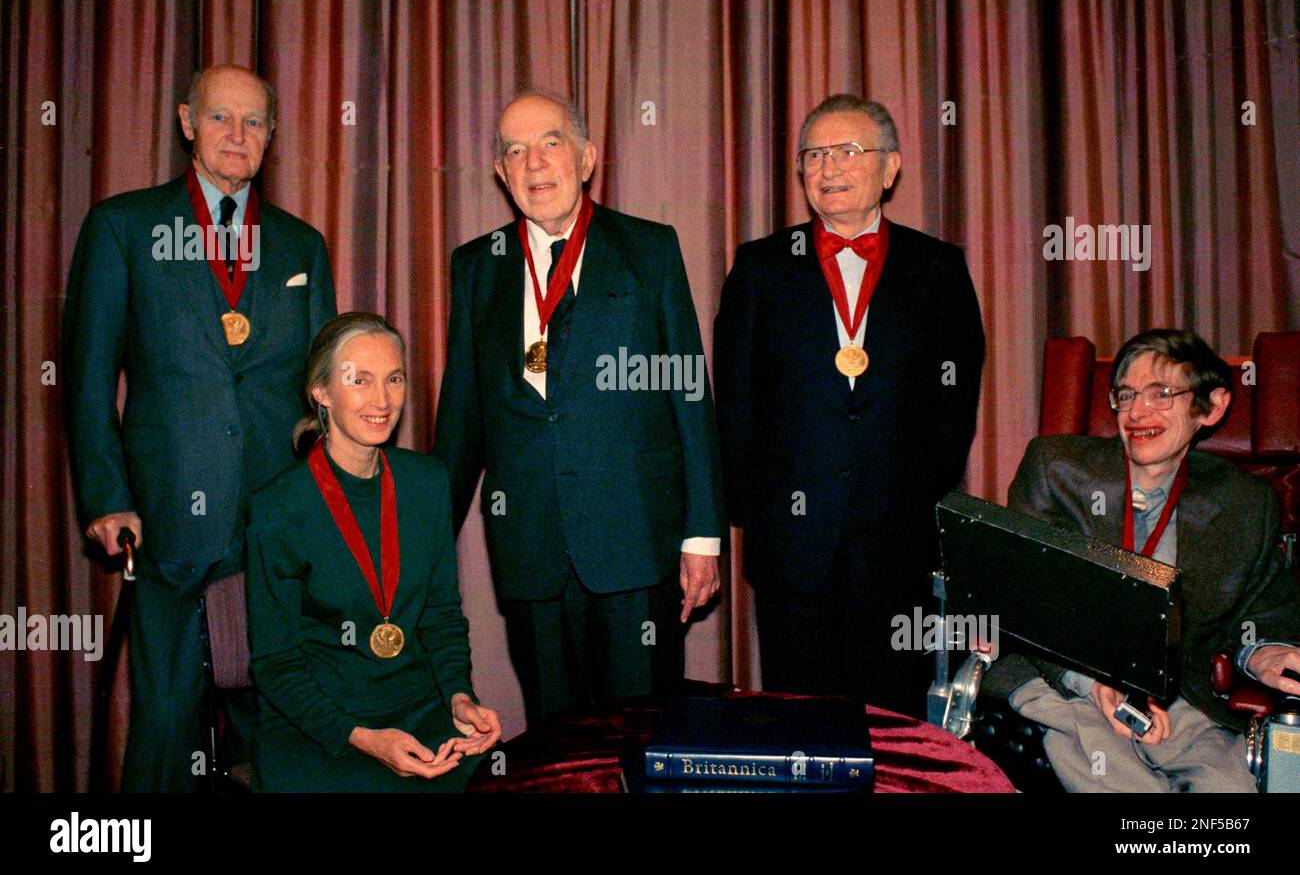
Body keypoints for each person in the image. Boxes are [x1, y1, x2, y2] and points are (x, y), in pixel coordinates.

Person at [62, 64, 336, 791]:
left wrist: (324, 512)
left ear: (272, 136)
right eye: (220, 117)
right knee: (164, 736)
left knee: (276, 740)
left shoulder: (303, 246)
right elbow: (87, 381)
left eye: (253, 122)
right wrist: (105, 496)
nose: (236, 135)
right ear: (187, 122)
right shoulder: (122, 227)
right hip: (167, 530)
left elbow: (323, 399)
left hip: (275, 540)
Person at [433, 91, 727, 724]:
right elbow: (462, 418)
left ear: (587, 157)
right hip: (530, 549)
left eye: (551, 142)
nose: (534, 162)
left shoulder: (650, 249)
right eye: (515, 149)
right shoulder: (476, 267)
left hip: (635, 544)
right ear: (500, 173)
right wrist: (424, 538)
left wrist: (703, 533)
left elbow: (690, 396)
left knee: (640, 738)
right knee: (556, 746)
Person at [714, 94, 985, 717]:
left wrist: (910, 497)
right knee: (799, 724)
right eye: (814, 155)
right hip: (791, 547)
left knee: (890, 724)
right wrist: (757, 511)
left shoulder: (938, 268)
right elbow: (733, 402)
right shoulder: (759, 267)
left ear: (889, 168)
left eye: (847, 152)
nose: (828, 168)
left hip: (897, 543)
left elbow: (955, 404)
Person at [992, 329, 1300, 792]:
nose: (1137, 413)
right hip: (1063, 680)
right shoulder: (1056, 468)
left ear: (1212, 407)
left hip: (1178, 697)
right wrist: (1090, 683)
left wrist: (1263, 651)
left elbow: (1260, 608)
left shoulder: (1245, 501)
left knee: (1228, 787)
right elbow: (1021, 598)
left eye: (1162, 394)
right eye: (1127, 395)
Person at [246, 312, 501, 792]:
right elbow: (274, 664)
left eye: (394, 379)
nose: (382, 401)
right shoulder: (277, 508)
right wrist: (364, 739)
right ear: (320, 392)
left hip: (419, 710)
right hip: (320, 726)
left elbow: (442, 617)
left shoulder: (427, 483)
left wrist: (460, 699)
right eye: (358, 380)